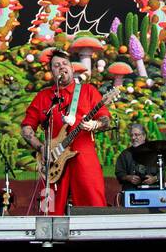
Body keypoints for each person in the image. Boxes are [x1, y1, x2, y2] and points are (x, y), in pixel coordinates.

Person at [21, 50, 113, 213]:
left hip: (83, 153)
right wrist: (42, 148)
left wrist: (96, 124)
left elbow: (106, 119)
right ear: (52, 72)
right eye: (56, 65)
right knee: (48, 208)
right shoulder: (44, 96)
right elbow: (26, 128)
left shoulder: (88, 91)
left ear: (72, 68)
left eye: (65, 64)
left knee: (93, 201)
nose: (62, 68)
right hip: (52, 158)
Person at [115, 123, 161, 195]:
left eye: (136, 135)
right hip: (131, 191)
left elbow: (162, 172)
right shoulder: (125, 154)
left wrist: (154, 178)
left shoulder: (154, 154)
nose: (133, 138)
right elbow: (119, 173)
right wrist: (128, 177)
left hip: (152, 191)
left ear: (144, 136)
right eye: (131, 135)